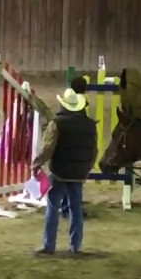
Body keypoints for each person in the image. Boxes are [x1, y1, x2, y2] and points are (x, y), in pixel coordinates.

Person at [32, 87, 97, 256]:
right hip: (78, 174)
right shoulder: (90, 125)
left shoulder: (57, 124)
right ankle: (75, 246)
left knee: (53, 208)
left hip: (60, 171)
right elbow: (94, 151)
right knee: (76, 209)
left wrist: (37, 163)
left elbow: (48, 148)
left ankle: (49, 244)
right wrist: (87, 169)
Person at [58, 75, 91, 220]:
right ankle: (68, 208)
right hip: (77, 149)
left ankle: (65, 207)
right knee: (74, 185)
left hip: (64, 150)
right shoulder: (81, 105)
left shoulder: (66, 102)